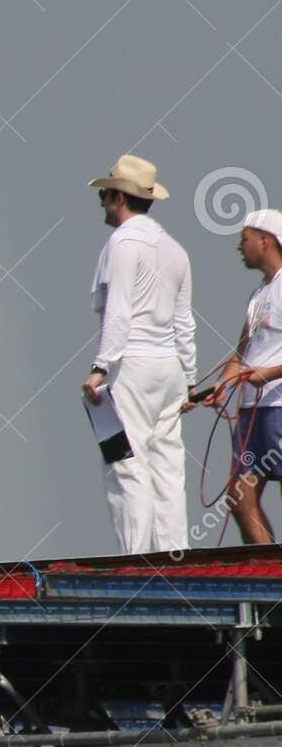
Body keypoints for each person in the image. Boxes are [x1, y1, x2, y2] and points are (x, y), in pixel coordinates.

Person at [82, 155, 197, 554]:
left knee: (126, 463)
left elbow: (120, 310)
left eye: (105, 195)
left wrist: (101, 367)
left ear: (119, 197)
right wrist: (191, 378)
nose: (101, 202)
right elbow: (184, 322)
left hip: (131, 364)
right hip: (169, 369)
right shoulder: (176, 250)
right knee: (167, 466)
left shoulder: (123, 243)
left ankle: (136, 560)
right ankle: (174, 555)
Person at [206, 208, 282, 544]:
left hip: (278, 404)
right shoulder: (257, 295)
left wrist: (269, 373)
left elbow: (260, 363)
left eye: (245, 238)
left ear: (265, 241)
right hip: (251, 411)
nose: (240, 246)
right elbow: (241, 355)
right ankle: (271, 581)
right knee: (239, 496)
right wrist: (222, 384)